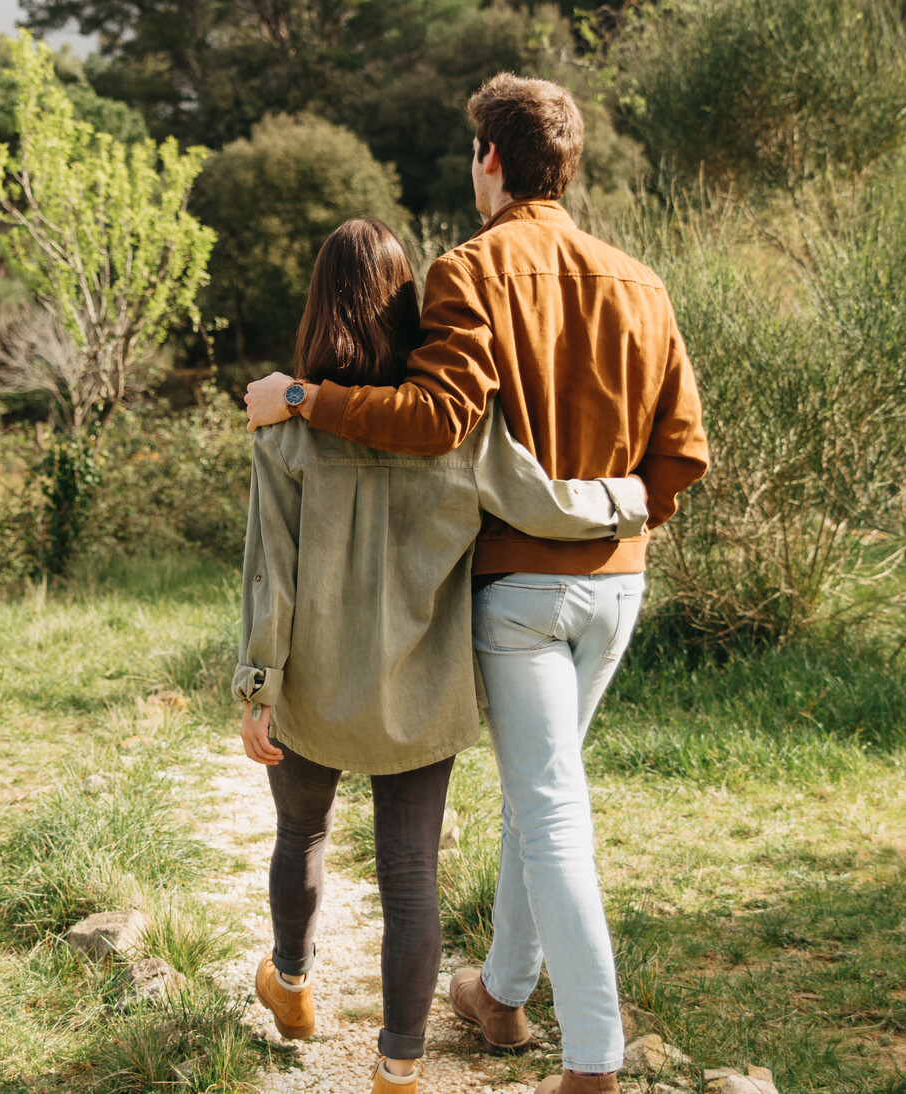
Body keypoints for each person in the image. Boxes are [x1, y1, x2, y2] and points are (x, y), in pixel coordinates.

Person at [246, 74, 709, 1094]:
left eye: (472, 156)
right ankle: (499, 990)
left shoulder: (471, 269)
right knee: (542, 791)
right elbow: (679, 455)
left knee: (545, 807)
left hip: (520, 591)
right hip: (617, 586)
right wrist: (617, 523)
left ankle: (591, 1054)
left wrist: (301, 396)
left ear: (489, 160)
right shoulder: (641, 281)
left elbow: (435, 420)